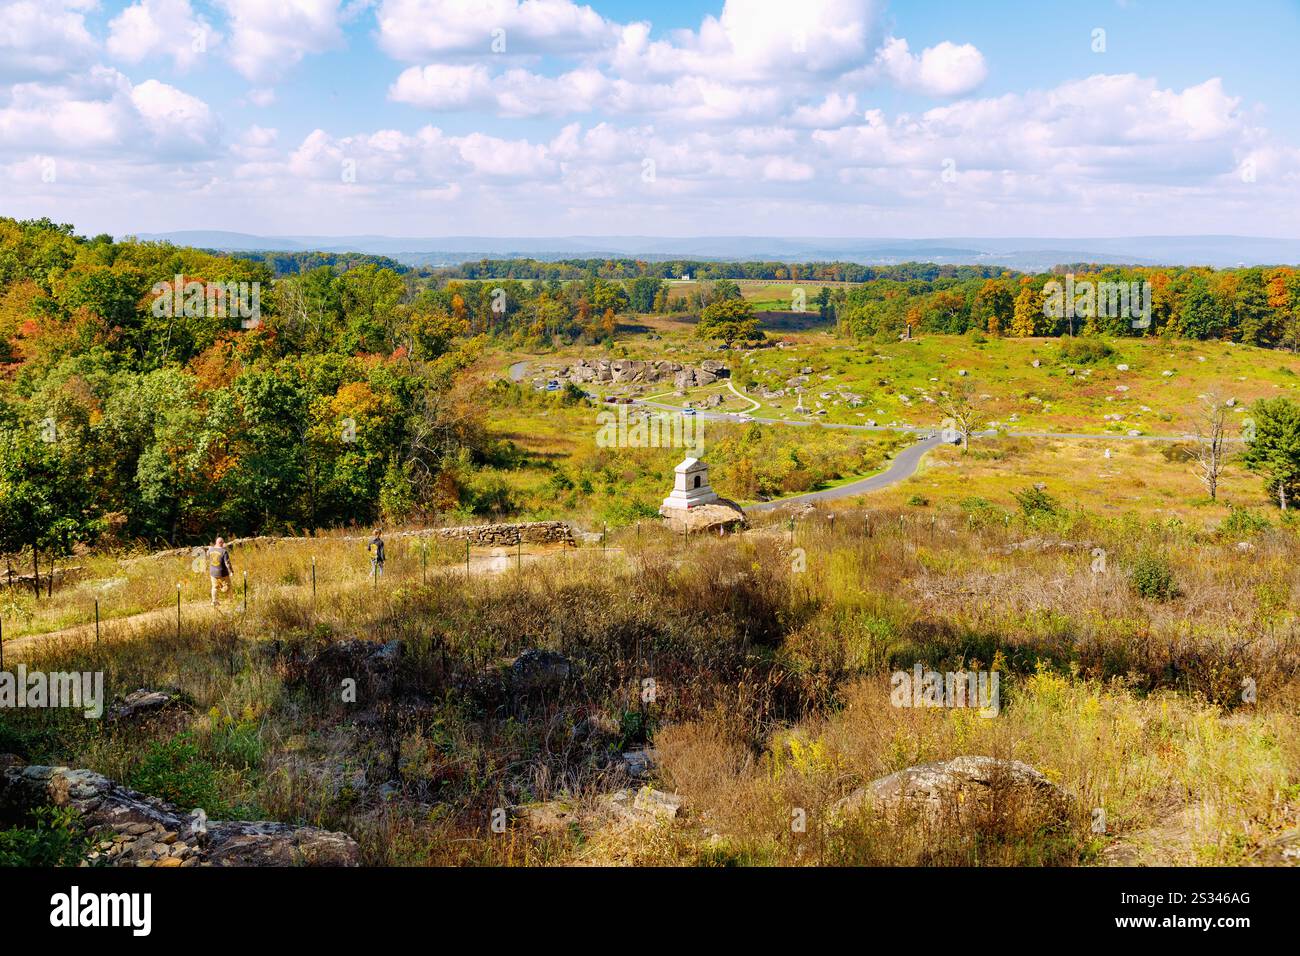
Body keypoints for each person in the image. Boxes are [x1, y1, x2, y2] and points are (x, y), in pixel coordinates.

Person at [207, 536, 233, 606]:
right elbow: (227, 563)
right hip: (223, 573)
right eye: (223, 542)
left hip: (213, 573)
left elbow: (208, 555)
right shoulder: (224, 551)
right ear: (222, 543)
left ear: (216, 543)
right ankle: (230, 601)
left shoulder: (210, 550)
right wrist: (231, 571)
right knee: (228, 586)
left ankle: (214, 602)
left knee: (214, 587)